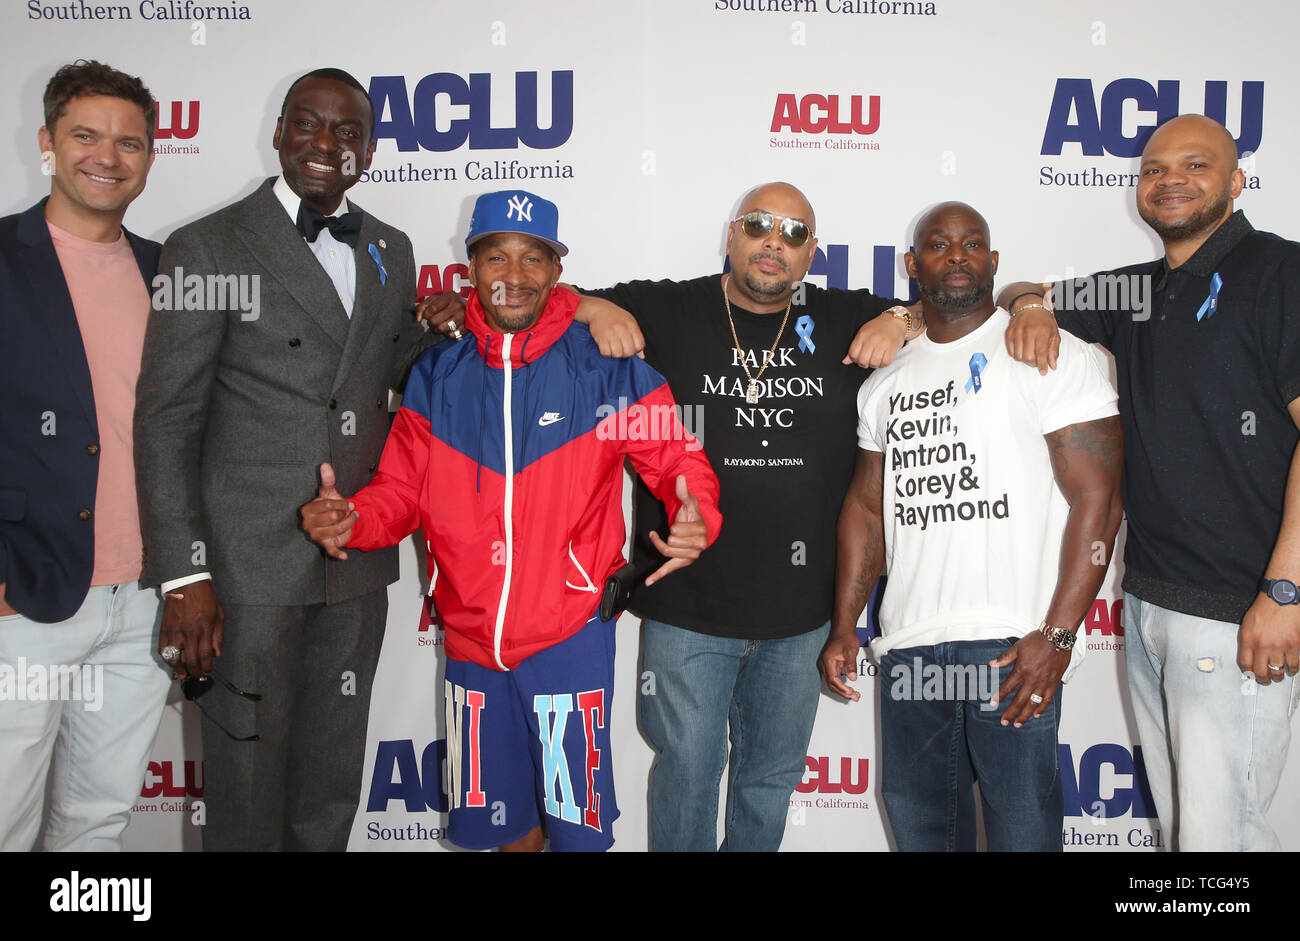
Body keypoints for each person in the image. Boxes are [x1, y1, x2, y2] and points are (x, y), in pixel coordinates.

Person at [300, 189, 722, 851]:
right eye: (497, 255)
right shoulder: (438, 374)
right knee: (504, 830)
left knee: (575, 835)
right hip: (471, 644)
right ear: (471, 266)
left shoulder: (608, 369)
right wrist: (353, 519)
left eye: (533, 258)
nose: (515, 275)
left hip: (569, 637)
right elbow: (400, 492)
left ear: (557, 271)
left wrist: (697, 513)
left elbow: (679, 460)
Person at [133, 68, 439, 851]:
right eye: (307, 124)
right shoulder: (207, 245)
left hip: (355, 560)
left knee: (331, 786)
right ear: (278, 133)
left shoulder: (389, 247)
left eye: (346, 132)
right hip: (245, 566)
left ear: (368, 151)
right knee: (245, 790)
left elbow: (376, 369)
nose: (325, 144)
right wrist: (184, 573)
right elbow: (167, 419)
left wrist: (444, 327)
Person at [567, 182, 919, 851]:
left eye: (793, 233)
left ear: (811, 251)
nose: (773, 243)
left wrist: (901, 320)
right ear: (731, 234)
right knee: (689, 774)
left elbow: (962, 307)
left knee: (768, 781)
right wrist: (591, 307)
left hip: (802, 612)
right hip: (686, 602)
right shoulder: (670, 307)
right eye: (759, 224)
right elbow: (540, 296)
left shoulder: (845, 315)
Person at [996, 114, 1300, 851]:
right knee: (1190, 833)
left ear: (1236, 181)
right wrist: (1032, 303)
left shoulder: (1279, 272)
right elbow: (1021, 291)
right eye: (1155, 169)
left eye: (1195, 166)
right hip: (1150, 604)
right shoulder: (1137, 291)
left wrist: (1285, 591)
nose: (1170, 181)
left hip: (1238, 610)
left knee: (1220, 840)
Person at [820, 202, 1123, 850]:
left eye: (971, 243)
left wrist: (1058, 634)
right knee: (922, 831)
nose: (956, 255)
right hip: (909, 645)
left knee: (1022, 832)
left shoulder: (1046, 351)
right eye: (938, 244)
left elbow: (1099, 498)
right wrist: (846, 624)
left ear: (993, 261)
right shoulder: (885, 381)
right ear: (913, 264)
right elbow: (867, 507)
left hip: (1012, 647)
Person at [0, 60, 170, 851]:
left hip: (143, 598)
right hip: (25, 594)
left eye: (129, 141)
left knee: (98, 822)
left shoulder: (170, 271)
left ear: (149, 156)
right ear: (47, 142)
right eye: (86, 135)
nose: (108, 156)